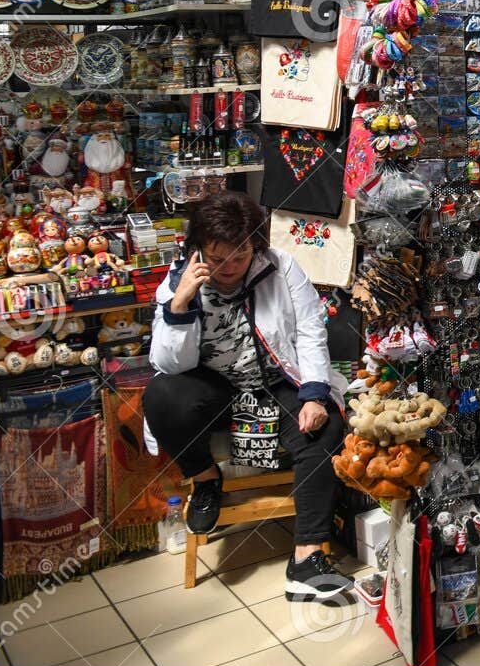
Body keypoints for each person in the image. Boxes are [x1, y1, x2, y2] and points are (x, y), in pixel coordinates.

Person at [145, 191, 352, 601]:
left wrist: (313, 394)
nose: (227, 268)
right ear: (198, 249)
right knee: (161, 395)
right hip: (213, 390)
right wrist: (180, 303)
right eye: (216, 258)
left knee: (325, 424)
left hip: (275, 382)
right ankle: (205, 479)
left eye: (238, 257)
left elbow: (310, 330)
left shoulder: (281, 266)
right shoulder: (178, 280)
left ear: (255, 247)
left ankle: (307, 558)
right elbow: (167, 363)